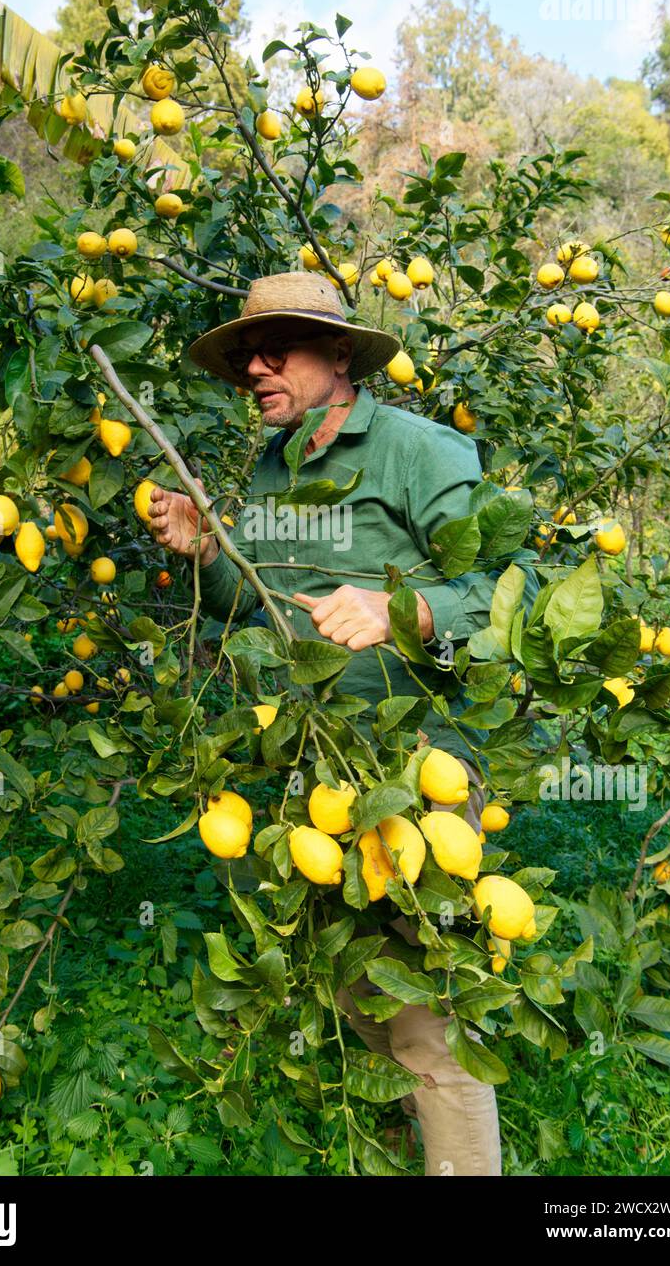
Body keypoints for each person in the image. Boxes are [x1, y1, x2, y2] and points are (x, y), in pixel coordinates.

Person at [145, 270, 504, 1175]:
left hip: (412, 774)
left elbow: (510, 592)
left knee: (429, 1021)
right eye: (244, 357)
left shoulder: (419, 452)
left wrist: (406, 611)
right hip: (314, 777)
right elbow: (260, 604)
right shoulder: (274, 466)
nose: (256, 367)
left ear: (340, 353)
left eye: (278, 348)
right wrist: (207, 556)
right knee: (359, 994)